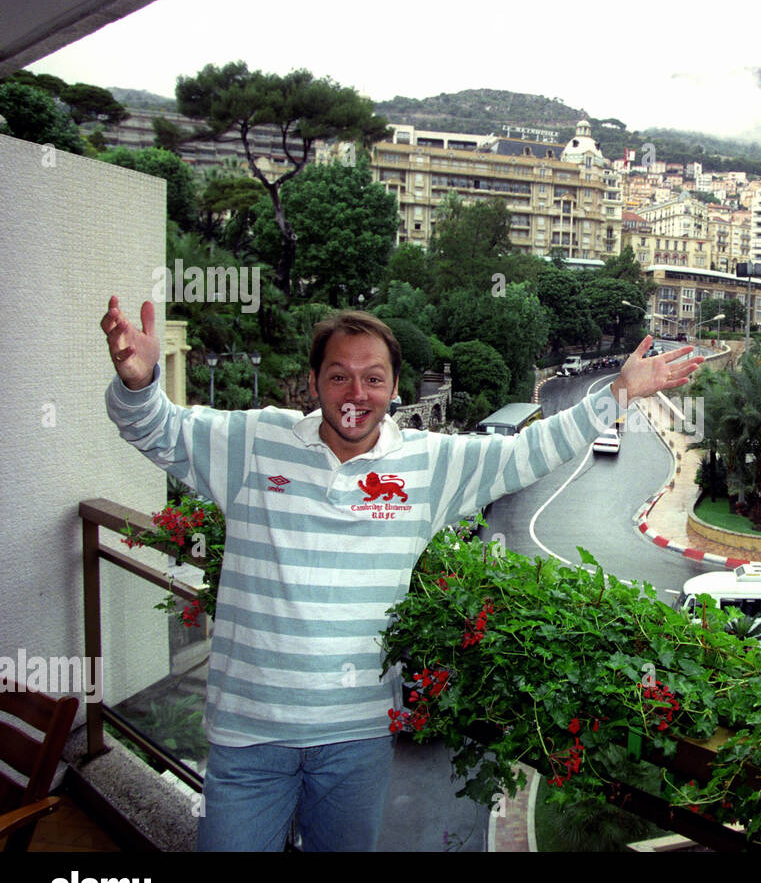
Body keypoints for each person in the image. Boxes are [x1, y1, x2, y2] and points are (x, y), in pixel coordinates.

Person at [101, 296, 703, 851]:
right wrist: (139, 383)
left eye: (373, 378)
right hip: (248, 736)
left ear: (393, 387)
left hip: (357, 740)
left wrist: (618, 393)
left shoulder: (426, 463)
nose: (355, 393)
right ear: (313, 381)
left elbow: (526, 452)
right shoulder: (255, 442)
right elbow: (158, 429)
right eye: (338, 375)